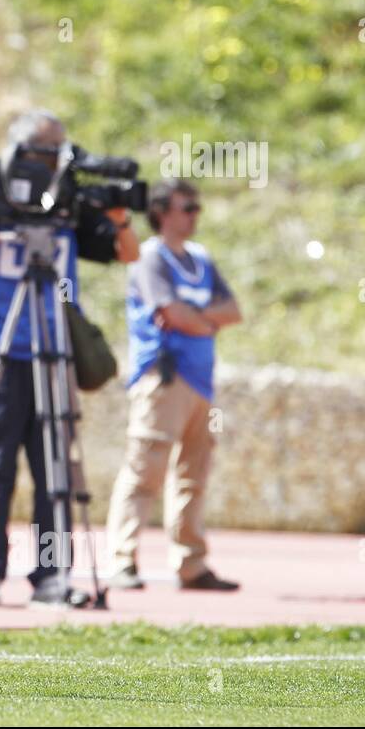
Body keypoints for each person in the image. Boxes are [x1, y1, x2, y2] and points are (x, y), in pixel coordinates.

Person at [0, 109, 139, 608]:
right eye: (47, 151)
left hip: (55, 354)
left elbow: (128, 253)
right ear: (20, 152)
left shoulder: (68, 203)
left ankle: (52, 576)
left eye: (61, 151)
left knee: (56, 472)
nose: (56, 162)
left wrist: (118, 214)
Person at [104, 179, 242, 591]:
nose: (194, 215)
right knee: (145, 469)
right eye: (187, 207)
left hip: (201, 378)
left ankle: (191, 563)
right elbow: (170, 311)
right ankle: (121, 558)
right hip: (163, 377)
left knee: (193, 475)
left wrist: (194, 320)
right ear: (162, 211)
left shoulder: (201, 258)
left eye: (197, 207)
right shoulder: (150, 257)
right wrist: (204, 322)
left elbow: (233, 310)